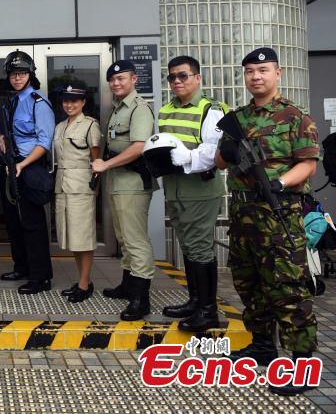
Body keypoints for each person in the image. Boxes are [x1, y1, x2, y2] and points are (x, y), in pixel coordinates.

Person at [215, 47, 320, 396]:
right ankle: (262, 346)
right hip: (243, 215)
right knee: (249, 284)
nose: (255, 77)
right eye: (249, 72)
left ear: (278, 73)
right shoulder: (238, 118)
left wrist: (279, 182)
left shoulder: (295, 117)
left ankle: (302, 362)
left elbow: (308, 164)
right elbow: (219, 163)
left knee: (288, 289)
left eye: (262, 70)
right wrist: (228, 151)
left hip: (279, 215)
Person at [156, 55, 227, 332]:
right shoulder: (165, 110)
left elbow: (213, 151)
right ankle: (196, 300)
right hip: (175, 188)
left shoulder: (212, 109)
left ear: (197, 78)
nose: (176, 81)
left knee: (199, 246)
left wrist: (186, 157)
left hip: (200, 188)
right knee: (187, 245)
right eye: (172, 77)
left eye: (182, 76)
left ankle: (208, 311)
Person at [91, 60, 158, 321]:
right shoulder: (119, 109)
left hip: (133, 183)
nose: (116, 83)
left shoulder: (139, 109)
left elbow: (138, 147)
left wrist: (105, 164)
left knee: (135, 240)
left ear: (134, 80)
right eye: (113, 80)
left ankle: (141, 300)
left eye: (122, 78)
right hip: (118, 183)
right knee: (123, 236)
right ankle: (128, 286)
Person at [0, 50, 56, 294]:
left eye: (21, 73)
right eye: (13, 74)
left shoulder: (38, 103)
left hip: (29, 166)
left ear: (30, 75)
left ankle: (40, 277)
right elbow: (8, 131)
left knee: (32, 224)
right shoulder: (12, 102)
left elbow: (44, 142)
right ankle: (21, 267)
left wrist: (22, 164)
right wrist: (1, 138)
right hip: (12, 165)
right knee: (13, 221)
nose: (17, 78)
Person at [52, 81, 101, 303]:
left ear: (83, 102)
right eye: (66, 101)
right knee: (72, 236)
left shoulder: (91, 125)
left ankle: (84, 283)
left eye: (74, 101)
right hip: (62, 185)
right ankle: (83, 280)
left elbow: (96, 160)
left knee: (83, 236)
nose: (69, 104)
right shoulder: (60, 126)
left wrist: (94, 186)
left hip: (81, 187)